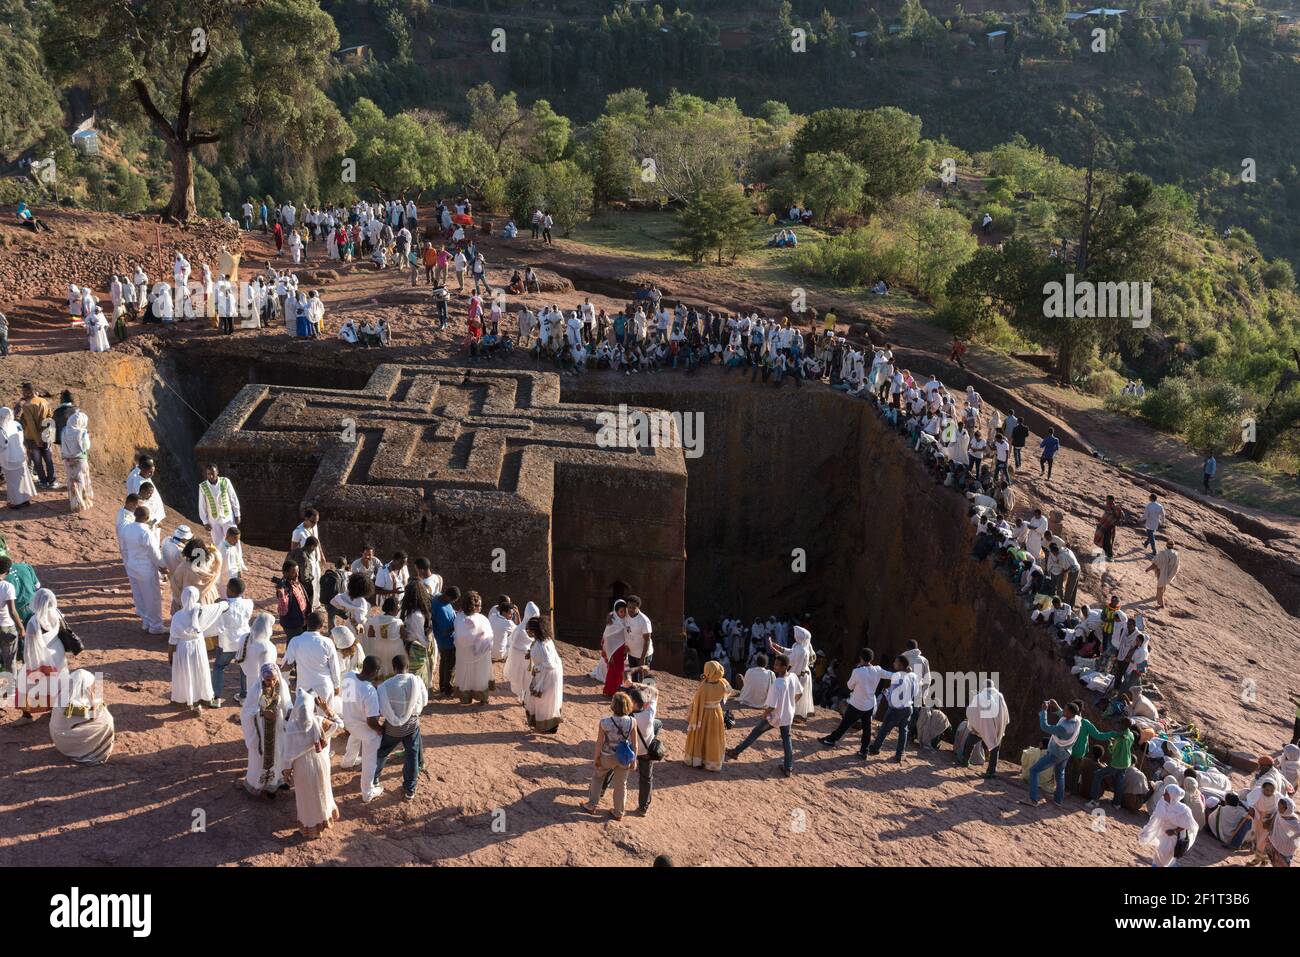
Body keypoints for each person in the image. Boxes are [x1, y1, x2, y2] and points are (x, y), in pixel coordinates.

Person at [726, 653, 801, 777]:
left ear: (784, 667)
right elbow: (800, 693)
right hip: (787, 715)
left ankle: (736, 751)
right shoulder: (793, 677)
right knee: (787, 739)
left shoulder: (778, 683)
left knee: (756, 732)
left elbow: (772, 705)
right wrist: (791, 704)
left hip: (775, 716)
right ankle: (788, 767)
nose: (774, 666)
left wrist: (765, 714)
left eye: (777, 664)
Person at [281, 689, 340, 837]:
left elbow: (288, 756)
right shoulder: (319, 722)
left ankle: (311, 828)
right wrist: (327, 709)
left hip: (302, 769)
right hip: (321, 764)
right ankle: (324, 819)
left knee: (306, 799)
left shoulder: (291, 728)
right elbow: (339, 724)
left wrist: (286, 772)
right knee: (322, 791)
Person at [241, 640, 290, 798]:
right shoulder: (256, 690)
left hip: (277, 728)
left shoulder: (281, 685)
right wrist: (262, 713)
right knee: (261, 758)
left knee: (278, 753)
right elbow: (247, 712)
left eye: (274, 679)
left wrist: (289, 712)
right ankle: (260, 785)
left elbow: (287, 702)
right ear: (262, 678)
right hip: (261, 731)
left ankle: (276, 782)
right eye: (268, 680)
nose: (271, 682)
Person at [819, 647, 889, 757]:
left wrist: (857, 673)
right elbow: (890, 675)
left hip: (857, 704)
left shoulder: (858, 671)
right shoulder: (878, 670)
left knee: (845, 724)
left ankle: (831, 740)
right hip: (869, 704)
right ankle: (863, 751)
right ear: (871, 659)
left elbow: (849, 686)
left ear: (861, 658)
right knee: (867, 728)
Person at [375, 655, 427, 801]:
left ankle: (374, 780)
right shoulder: (417, 681)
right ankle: (410, 790)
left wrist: (394, 719)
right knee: (412, 755)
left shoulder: (385, 686)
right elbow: (424, 702)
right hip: (411, 726)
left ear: (394, 668)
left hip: (392, 728)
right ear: (408, 667)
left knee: (381, 752)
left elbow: (382, 709)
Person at [583, 691, 638, 820]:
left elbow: (599, 743)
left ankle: (591, 805)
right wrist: (634, 760)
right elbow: (635, 744)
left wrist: (596, 758)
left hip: (607, 756)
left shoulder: (605, 722)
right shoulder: (632, 722)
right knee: (621, 784)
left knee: (597, 777)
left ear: (613, 706)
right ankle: (618, 812)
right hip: (624, 757)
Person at [170, 586, 226, 712]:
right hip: (198, 646)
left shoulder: (177, 616)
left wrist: (170, 656)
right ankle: (201, 698)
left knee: (186, 673)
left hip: (183, 648)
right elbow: (221, 607)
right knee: (200, 670)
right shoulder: (202, 611)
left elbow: (173, 639)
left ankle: (187, 700)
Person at [339, 654, 385, 803]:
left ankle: (347, 761)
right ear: (376, 671)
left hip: (349, 722)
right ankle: (367, 792)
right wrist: (380, 729)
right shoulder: (369, 691)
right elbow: (371, 721)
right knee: (370, 760)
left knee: (354, 737)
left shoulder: (349, 676)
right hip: (364, 729)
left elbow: (348, 698)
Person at [16, 589, 67, 720]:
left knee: (27, 684)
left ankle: (26, 715)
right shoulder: (58, 613)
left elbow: (30, 644)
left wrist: (26, 660)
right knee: (57, 682)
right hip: (57, 651)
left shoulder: (34, 621)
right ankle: (55, 709)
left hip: (40, 655)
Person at [1021, 699, 1082, 807]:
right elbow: (1063, 715)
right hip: (1066, 752)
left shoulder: (1064, 728)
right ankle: (1058, 800)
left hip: (1055, 753)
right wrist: (1057, 706)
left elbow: (1045, 727)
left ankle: (1033, 800)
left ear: (1070, 713)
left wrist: (1044, 711)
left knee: (1034, 770)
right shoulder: (1077, 720)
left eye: (1065, 710)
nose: (1063, 711)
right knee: (1060, 774)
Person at [49, 669, 115, 765]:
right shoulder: (71, 704)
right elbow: (93, 716)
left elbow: (100, 701)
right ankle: (90, 751)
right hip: (65, 737)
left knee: (103, 712)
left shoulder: (66, 693)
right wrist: (93, 700)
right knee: (107, 720)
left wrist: (96, 698)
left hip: (61, 734)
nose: (93, 685)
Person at [120, 506, 167, 634]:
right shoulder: (146, 533)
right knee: (152, 598)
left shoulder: (126, 528)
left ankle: (146, 622)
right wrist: (163, 566)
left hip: (132, 567)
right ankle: (156, 626)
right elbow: (155, 555)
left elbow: (123, 548)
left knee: (139, 596)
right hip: (146, 570)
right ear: (147, 518)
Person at [868, 655, 920, 763]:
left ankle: (875, 749)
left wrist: (886, 694)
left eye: (896, 662)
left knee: (884, 730)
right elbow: (915, 692)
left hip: (896, 710)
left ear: (901, 665)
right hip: (908, 708)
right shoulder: (913, 676)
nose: (893, 663)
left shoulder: (896, 677)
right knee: (903, 731)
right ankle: (900, 754)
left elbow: (893, 699)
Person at [956, 678, 1010, 778]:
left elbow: (971, 711)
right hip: (997, 727)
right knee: (995, 748)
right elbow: (1004, 711)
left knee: (970, 741)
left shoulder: (980, 696)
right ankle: (991, 772)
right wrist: (1001, 725)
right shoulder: (1000, 696)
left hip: (983, 728)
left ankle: (965, 760)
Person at [284, 611, 342, 701]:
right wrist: (337, 685)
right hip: (324, 688)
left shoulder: (295, 641)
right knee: (325, 714)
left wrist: (284, 682)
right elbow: (334, 666)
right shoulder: (327, 642)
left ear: (306, 622)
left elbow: (287, 665)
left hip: (303, 689)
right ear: (322, 626)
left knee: (304, 715)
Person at [1139, 783, 1198, 867]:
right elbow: (1155, 817)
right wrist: (1148, 829)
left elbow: (1188, 826)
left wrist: (1174, 831)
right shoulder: (1162, 803)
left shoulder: (1184, 810)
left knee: (1164, 856)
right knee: (1160, 855)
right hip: (1163, 834)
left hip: (1173, 838)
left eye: (1166, 793)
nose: (1164, 795)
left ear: (1173, 796)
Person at [452, 590, 493, 705]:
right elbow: (489, 636)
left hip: (464, 653)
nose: (480, 607)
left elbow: (459, 635)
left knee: (465, 674)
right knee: (479, 674)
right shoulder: (482, 619)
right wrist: (479, 642)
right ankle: (482, 698)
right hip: (479, 654)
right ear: (473, 606)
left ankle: (466, 698)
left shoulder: (459, 618)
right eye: (479, 605)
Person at [526, 616, 564, 733]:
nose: (527, 631)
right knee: (549, 700)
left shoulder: (541, 645)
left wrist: (537, 668)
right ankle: (551, 725)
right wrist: (530, 654)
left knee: (543, 701)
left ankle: (546, 726)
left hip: (547, 676)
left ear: (534, 631)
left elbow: (549, 663)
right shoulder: (546, 640)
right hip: (551, 675)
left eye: (529, 630)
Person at [0, 407, 37, 509]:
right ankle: (25, 500)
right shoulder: (16, 424)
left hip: (8, 458)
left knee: (12, 481)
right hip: (20, 455)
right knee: (23, 478)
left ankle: (16, 502)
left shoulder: (2, 428)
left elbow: (3, 445)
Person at [197, 464, 241, 546]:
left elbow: (233, 497)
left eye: (213, 473)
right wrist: (205, 521)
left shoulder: (225, 481)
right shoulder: (203, 486)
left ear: (217, 472)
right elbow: (202, 505)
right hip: (214, 520)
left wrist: (237, 513)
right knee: (218, 543)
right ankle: (222, 558)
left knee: (234, 539)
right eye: (208, 474)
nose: (211, 476)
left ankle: (237, 558)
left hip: (228, 517)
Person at [505, 600, 538, 702]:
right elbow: (515, 641)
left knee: (527, 677)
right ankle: (522, 696)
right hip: (520, 656)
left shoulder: (524, 627)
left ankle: (525, 697)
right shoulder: (521, 629)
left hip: (526, 656)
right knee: (521, 677)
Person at [60, 412, 93, 512]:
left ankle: (74, 502)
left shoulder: (64, 430)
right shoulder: (82, 432)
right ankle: (82, 503)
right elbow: (86, 446)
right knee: (81, 480)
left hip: (67, 459)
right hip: (80, 460)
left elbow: (62, 444)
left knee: (71, 480)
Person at [600, 599, 629, 696]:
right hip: (612, 652)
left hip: (621, 651)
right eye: (621, 611)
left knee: (620, 671)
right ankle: (609, 691)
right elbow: (606, 639)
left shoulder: (625, 621)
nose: (623, 613)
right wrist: (609, 655)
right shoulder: (612, 623)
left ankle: (617, 691)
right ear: (616, 612)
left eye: (625, 611)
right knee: (612, 672)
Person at [1146, 540, 1181, 609]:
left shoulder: (1162, 553)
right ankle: (1158, 596)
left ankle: (1161, 605)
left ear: (1166, 545)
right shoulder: (1176, 554)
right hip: (1170, 573)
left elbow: (1155, 563)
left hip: (1162, 572)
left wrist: (1148, 569)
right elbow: (1177, 565)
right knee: (1163, 584)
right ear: (1173, 546)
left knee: (1159, 588)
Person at [623, 595, 653, 668]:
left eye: (634, 608)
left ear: (638, 607)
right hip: (631, 653)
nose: (631, 610)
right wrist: (609, 617)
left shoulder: (644, 621)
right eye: (629, 607)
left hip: (642, 655)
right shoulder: (625, 613)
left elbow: (647, 640)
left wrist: (642, 658)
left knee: (644, 677)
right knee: (633, 676)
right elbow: (615, 613)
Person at [1142, 493, 1164, 557]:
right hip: (1156, 523)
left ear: (1151, 498)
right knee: (1151, 534)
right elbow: (1163, 515)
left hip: (1149, 523)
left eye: (1149, 497)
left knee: (1151, 536)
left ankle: (1154, 551)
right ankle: (1146, 543)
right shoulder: (1160, 506)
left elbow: (1145, 516)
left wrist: (1140, 519)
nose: (1148, 498)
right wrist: (1162, 522)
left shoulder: (1149, 506)